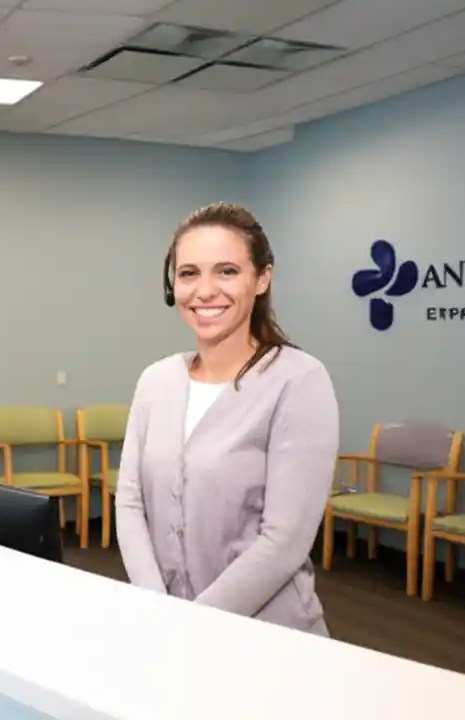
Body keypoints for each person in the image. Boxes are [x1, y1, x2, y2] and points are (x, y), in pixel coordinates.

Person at [114, 202, 339, 636]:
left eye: (227, 271)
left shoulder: (298, 380)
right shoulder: (156, 381)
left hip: (269, 639)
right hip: (167, 632)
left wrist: (190, 625)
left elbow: (284, 542)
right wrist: (155, 609)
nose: (205, 290)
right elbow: (130, 502)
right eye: (188, 273)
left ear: (262, 279)